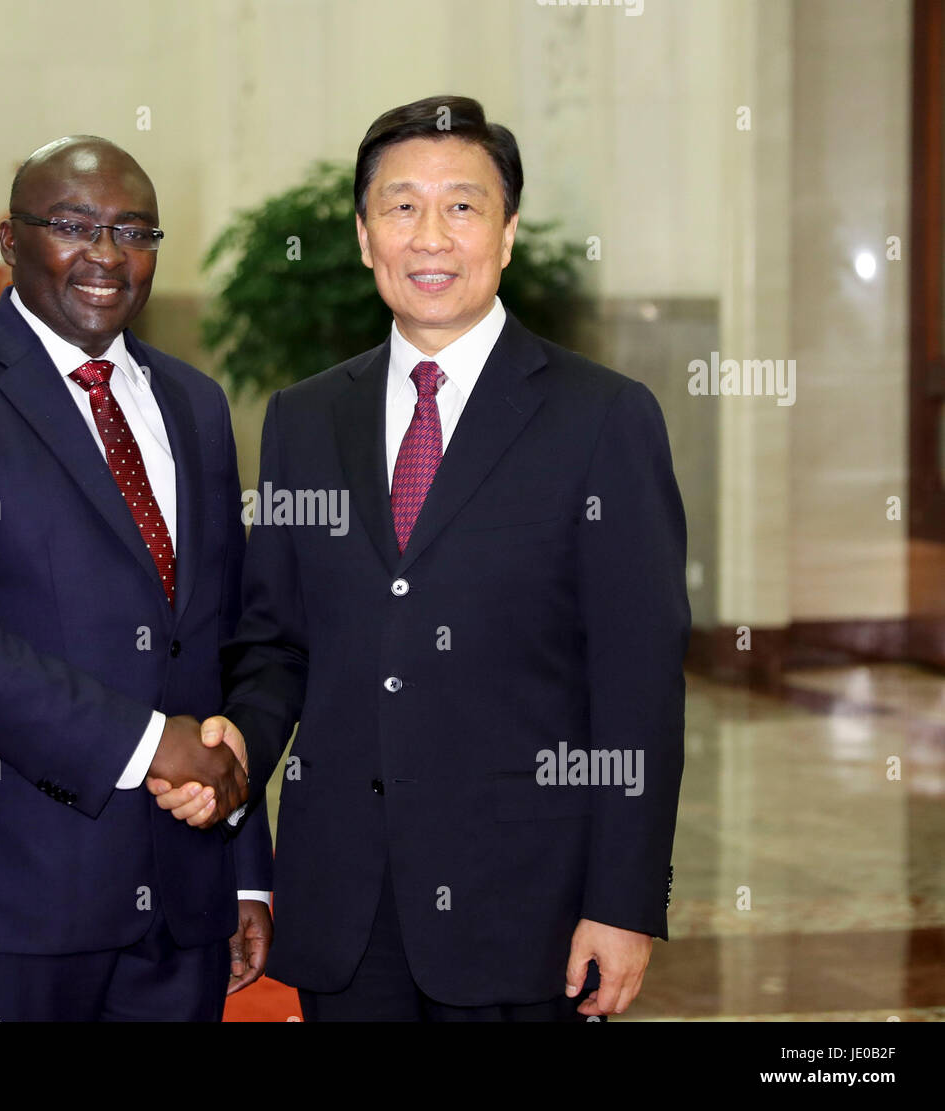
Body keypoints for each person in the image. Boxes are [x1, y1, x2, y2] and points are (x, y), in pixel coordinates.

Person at [153, 96, 690, 1021]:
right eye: (402, 207)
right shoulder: (305, 418)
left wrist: (623, 901)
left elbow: (637, 683)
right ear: (366, 238)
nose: (430, 235)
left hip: (529, 910)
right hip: (345, 910)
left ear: (508, 233)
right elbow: (277, 638)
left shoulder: (602, 417)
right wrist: (242, 735)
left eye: (463, 206)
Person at [0, 135, 272, 1022]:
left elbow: (218, 643)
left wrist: (243, 867)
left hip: (181, 891)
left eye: (135, 231)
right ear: (9, 239)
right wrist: (154, 743)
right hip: (6, 888)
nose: (107, 255)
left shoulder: (195, 402)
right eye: (73, 225)